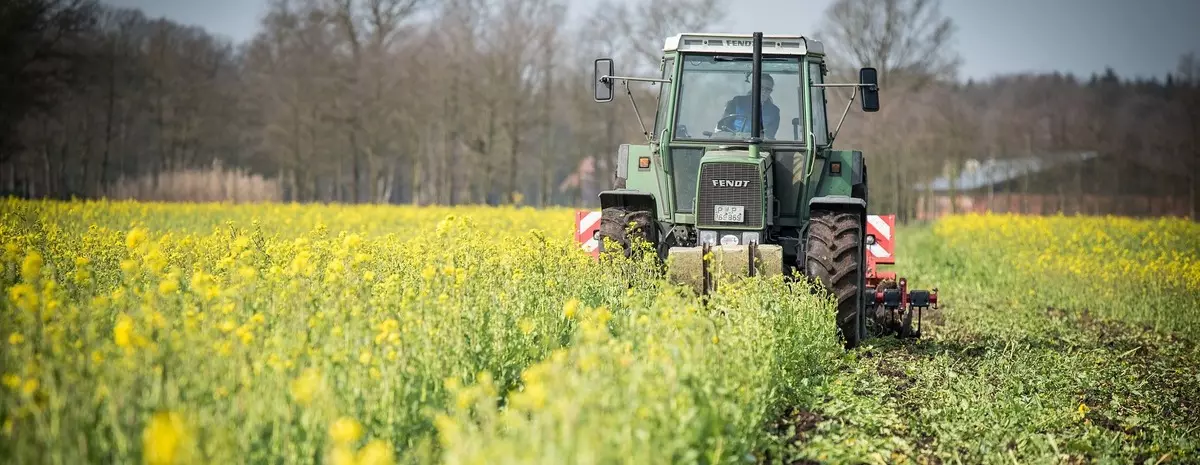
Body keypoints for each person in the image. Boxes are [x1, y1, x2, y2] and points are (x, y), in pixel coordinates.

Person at [718, 73, 780, 139]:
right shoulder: (737, 102)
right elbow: (723, 124)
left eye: (768, 89)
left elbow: (770, 134)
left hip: (758, 145)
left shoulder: (774, 111)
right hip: (733, 142)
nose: (764, 91)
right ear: (754, 87)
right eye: (761, 87)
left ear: (771, 91)